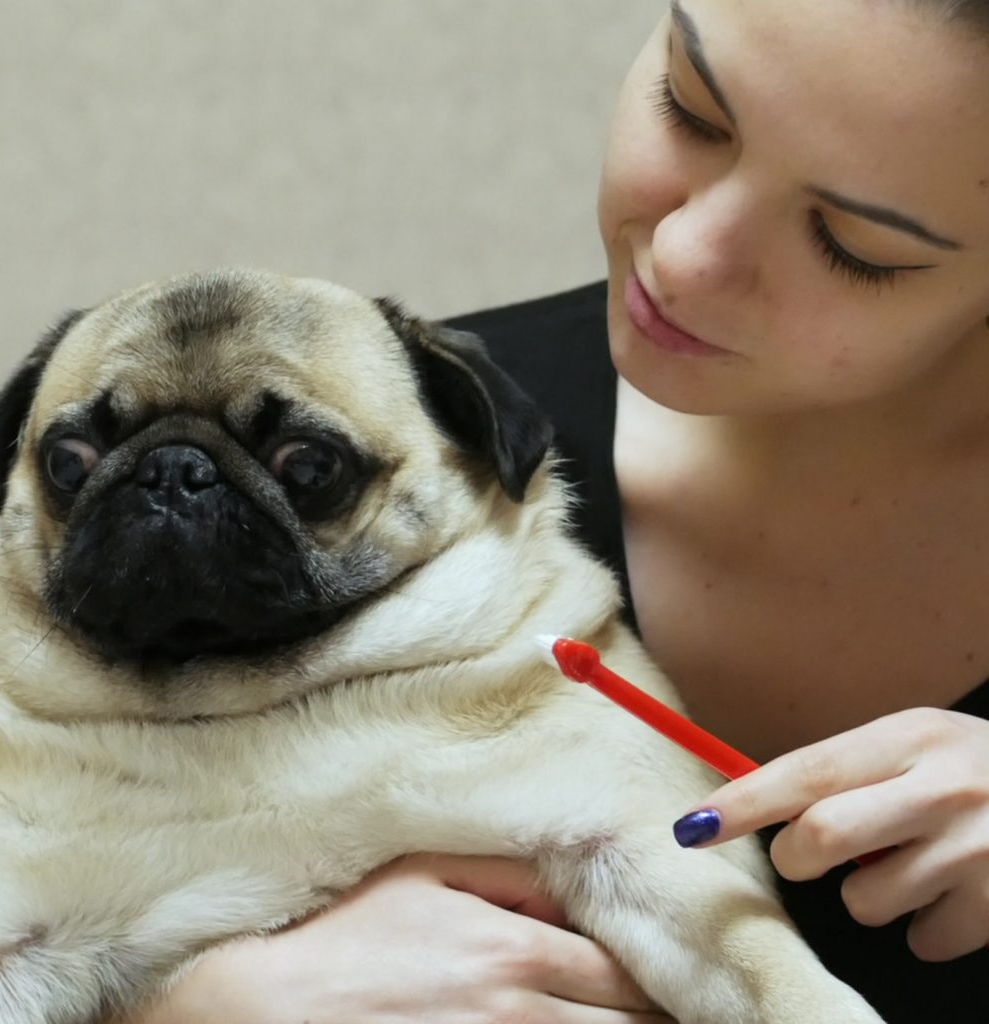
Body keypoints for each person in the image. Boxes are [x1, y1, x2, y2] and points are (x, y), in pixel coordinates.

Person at [131, 0, 989, 1020]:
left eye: (852, 245)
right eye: (690, 107)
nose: (682, 256)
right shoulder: (380, 456)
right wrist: (185, 1000)